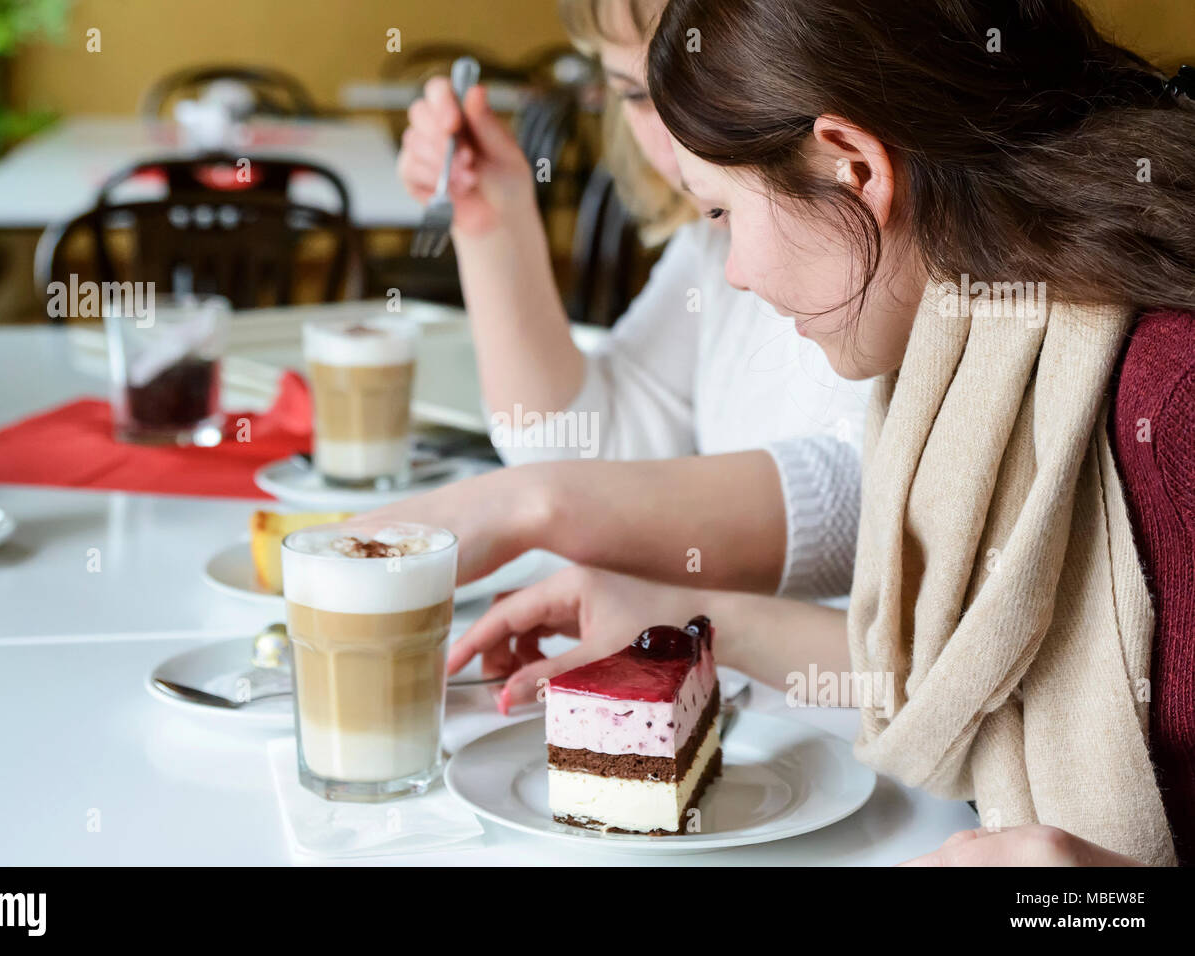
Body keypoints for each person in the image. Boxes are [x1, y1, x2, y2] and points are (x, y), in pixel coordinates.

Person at [446, 0, 1195, 865]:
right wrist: (693, 616)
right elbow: (947, 684)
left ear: (853, 167)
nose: (731, 273)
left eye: (723, 213)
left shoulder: (1166, 401)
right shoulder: (970, 354)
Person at [384, 0, 869, 602]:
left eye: (702, 86)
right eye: (637, 98)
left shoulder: (934, 274)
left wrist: (533, 503)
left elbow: (874, 494)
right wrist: (493, 223)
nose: (675, 144)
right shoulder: (708, 253)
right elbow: (589, 451)